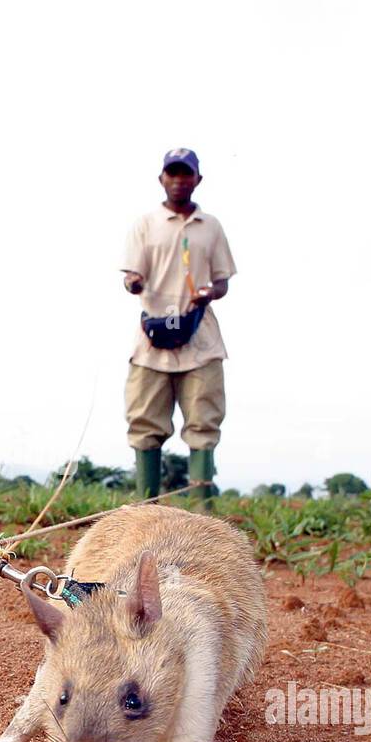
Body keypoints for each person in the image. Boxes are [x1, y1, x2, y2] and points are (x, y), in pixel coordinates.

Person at [120, 147, 235, 506]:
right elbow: (131, 275)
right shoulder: (145, 225)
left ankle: (203, 512)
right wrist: (135, 283)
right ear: (162, 179)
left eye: (186, 174)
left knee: (204, 424)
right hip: (152, 339)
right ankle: (145, 512)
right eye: (173, 173)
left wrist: (208, 293)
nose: (179, 180)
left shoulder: (210, 226)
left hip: (199, 337)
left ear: (197, 180)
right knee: (144, 423)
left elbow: (223, 281)